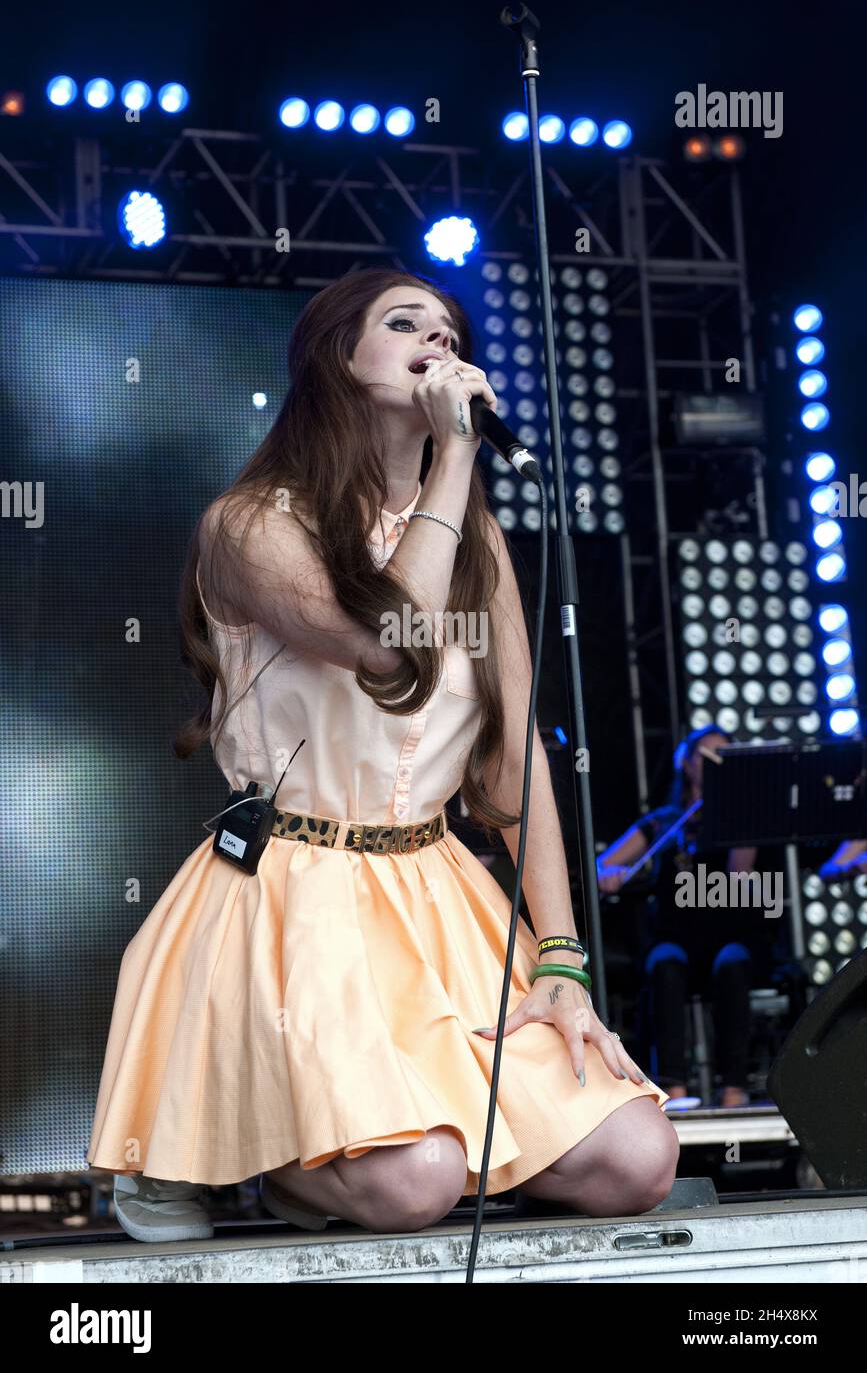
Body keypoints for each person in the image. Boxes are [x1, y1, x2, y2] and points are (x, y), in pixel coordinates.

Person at [85, 267, 677, 1241]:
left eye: (450, 330)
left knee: (638, 1159)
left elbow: (509, 759)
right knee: (417, 1183)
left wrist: (562, 958)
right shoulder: (251, 525)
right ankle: (263, 1162)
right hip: (293, 891)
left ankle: (438, 1147)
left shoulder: (476, 544)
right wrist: (453, 457)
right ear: (336, 360)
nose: (439, 342)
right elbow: (388, 647)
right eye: (406, 325)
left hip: (435, 893)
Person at [597, 725, 781, 1109]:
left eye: (724, 756)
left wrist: (737, 815)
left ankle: (734, 1088)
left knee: (733, 962)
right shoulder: (665, 821)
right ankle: (674, 1088)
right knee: (665, 963)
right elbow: (603, 865)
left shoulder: (741, 817)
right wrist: (610, 876)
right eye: (706, 754)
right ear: (687, 762)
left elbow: (738, 878)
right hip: (675, 934)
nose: (715, 763)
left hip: (729, 933)